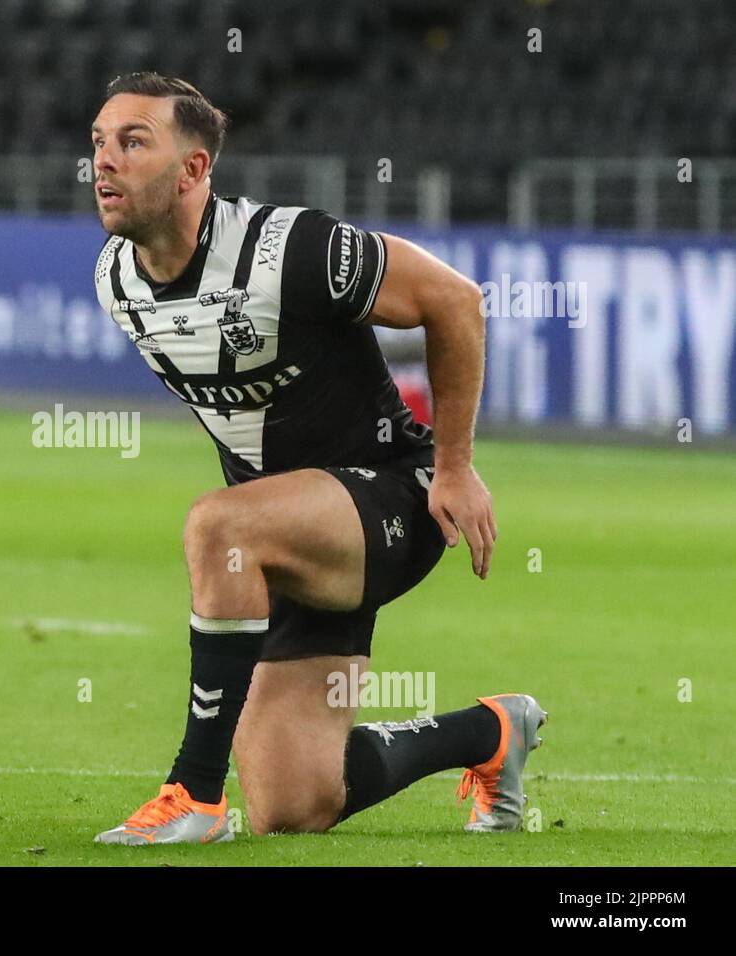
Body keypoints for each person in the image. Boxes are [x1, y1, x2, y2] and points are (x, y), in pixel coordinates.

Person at [89, 73, 544, 844]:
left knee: (216, 525)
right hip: (287, 536)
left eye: (134, 142)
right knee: (293, 807)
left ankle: (193, 795)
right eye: (98, 142)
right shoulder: (116, 282)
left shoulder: (289, 248)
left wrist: (458, 465)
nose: (104, 161)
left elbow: (456, 301)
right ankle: (490, 733)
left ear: (195, 170)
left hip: (395, 498)